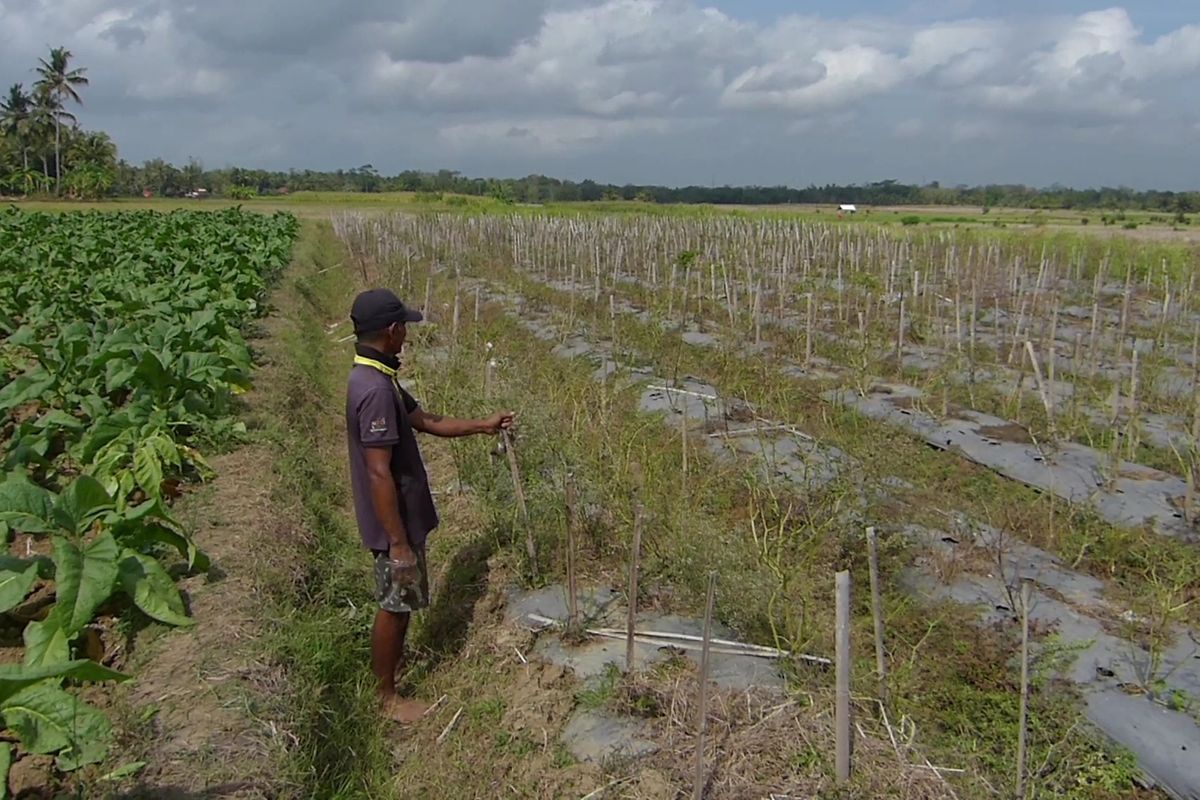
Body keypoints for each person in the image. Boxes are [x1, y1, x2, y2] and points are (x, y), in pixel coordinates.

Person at [346, 288, 514, 723]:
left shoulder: (378, 376)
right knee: (395, 604)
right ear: (391, 330)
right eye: (404, 326)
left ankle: (390, 673)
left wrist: (483, 424)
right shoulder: (375, 391)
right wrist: (398, 543)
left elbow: (426, 421)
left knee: (399, 601)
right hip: (392, 522)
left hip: (398, 520)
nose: (407, 334)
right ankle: (386, 697)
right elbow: (378, 472)